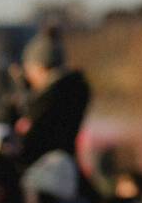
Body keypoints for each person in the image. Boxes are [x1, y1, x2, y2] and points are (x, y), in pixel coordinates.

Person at [14, 27, 91, 169]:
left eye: (29, 69)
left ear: (40, 67)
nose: (28, 76)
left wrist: (23, 96)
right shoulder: (72, 89)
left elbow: (33, 138)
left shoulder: (52, 99)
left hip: (48, 169)